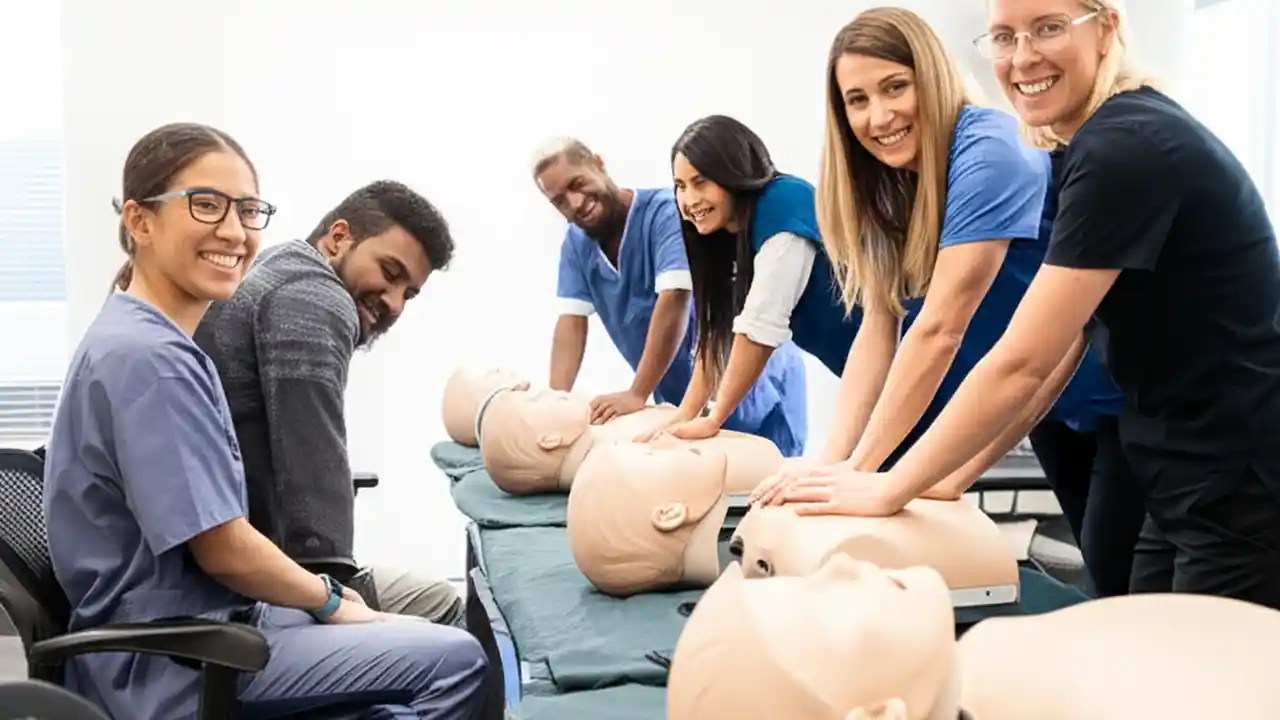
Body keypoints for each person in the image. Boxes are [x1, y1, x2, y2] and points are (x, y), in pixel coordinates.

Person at [771, 0, 1280, 609]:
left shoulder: (1121, 147)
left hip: (1236, 465)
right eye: (1005, 37)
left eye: (1048, 28)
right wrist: (871, 467)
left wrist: (883, 483)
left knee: (1201, 673)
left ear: (1107, 28)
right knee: (1131, 628)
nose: (1023, 57)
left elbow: (994, 349)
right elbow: (1057, 342)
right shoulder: (1089, 147)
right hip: (1176, 453)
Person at [43, 122, 487, 718]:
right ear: (139, 221)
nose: (233, 231)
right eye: (207, 205)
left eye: (248, 211)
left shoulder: (146, 339)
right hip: (182, 660)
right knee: (456, 659)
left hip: (210, 625)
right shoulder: (153, 362)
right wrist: (332, 599)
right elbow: (223, 548)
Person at [754, 6, 1141, 597]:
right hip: (1055, 404)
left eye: (894, 87)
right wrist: (835, 460)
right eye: (857, 100)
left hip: (1128, 395)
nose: (878, 116)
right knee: (1105, 581)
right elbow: (881, 328)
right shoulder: (886, 183)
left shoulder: (990, 147)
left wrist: (869, 477)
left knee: (1131, 588)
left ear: (930, 77)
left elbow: (940, 329)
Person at [195, 180, 464, 625]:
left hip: (246, 559)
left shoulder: (279, 267)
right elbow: (311, 456)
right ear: (339, 238)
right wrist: (335, 591)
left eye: (409, 294)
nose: (394, 303)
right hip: (257, 588)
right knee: (445, 608)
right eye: (390, 272)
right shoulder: (316, 298)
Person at [534, 137, 808, 456]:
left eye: (577, 184)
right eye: (559, 201)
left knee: (765, 487)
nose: (575, 202)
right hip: (683, 402)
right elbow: (571, 324)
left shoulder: (666, 212)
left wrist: (638, 393)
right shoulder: (577, 245)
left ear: (598, 163)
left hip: (760, 386)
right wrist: (555, 405)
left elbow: (675, 297)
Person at [644, 116, 857, 446]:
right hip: (874, 379)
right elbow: (715, 335)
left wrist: (715, 418)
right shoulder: (728, 233)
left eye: (700, 182)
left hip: (927, 367)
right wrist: (684, 414)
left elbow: (759, 327)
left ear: (734, 173)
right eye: (680, 186)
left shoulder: (785, 203)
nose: (688, 200)